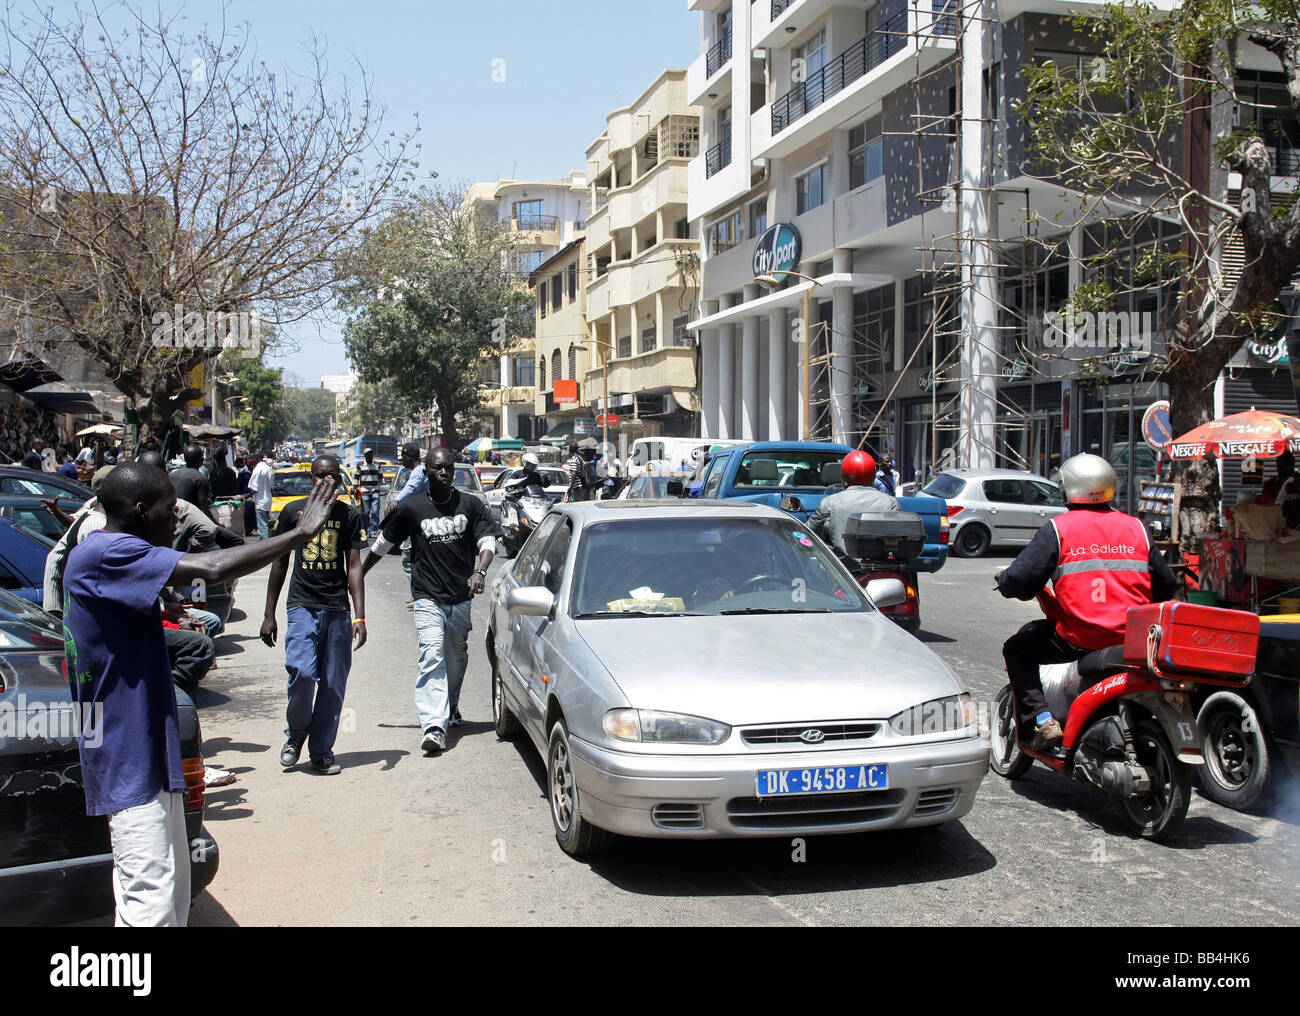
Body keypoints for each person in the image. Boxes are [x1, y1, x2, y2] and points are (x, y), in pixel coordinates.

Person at [62, 461, 335, 926]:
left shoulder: (114, 552)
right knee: (148, 903)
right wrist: (297, 535)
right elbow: (211, 567)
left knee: (171, 893)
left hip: (149, 754)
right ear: (141, 510)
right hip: (128, 760)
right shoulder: (108, 553)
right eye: (171, 511)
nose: (177, 520)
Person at [995, 453, 1179, 751]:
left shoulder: (1059, 528)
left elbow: (1021, 579)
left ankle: (1042, 721)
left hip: (1079, 639)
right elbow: (1166, 584)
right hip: (1133, 641)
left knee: (1017, 649)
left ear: (1067, 489)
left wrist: (1005, 582)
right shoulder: (1137, 527)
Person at [360, 448, 501, 754]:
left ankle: (450, 705)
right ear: (426, 472)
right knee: (432, 654)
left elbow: (487, 541)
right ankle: (434, 726)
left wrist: (480, 570)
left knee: (456, 656)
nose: (445, 473)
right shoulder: (412, 508)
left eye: (449, 468)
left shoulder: (470, 504)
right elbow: (383, 544)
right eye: (438, 468)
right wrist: (359, 573)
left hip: (460, 598)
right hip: (427, 597)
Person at [261, 455, 367, 776]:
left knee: (334, 684)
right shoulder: (293, 512)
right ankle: (296, 735)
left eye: (333, 477)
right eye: (321, 477)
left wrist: (359, 616)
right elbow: (279, 563)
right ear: (312, 479)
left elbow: (353, 566)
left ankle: (321, 750)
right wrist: (269, 614)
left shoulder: (348, 515)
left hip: (336, 609)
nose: (327, 483)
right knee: (302, 673)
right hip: (302, 605)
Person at [807, 451, 901, 556]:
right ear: (874, 476)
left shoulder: (829, 504)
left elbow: (807, 539)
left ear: (843, 479)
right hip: (881, 569)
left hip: (842, 569)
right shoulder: (891, 503)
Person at [170, 444, 213, 519]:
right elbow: (204, 506)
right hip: (189, 519)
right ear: (202, 459)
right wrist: (216, 524)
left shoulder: (172, 475)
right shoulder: (200, 478)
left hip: (172, 518)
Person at [355, 446, 383, 536]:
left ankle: (373, 531)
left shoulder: (377, 465)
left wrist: (383, 485)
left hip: (375, 490)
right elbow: (356, 477)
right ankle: (364, 530)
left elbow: (381, 477)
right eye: (368, 455)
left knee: (375, 511)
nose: (370, 456)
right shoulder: (360, 465)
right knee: (365, 512)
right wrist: (355, 488)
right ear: (365, 456)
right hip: (364, 491)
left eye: (371, 454)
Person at [248, 450, 275, 540]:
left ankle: (266, 547)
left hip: (260, 501)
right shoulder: (269, 469)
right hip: (268, 500)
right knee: (265, 524)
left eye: (254, 458)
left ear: (258, 458)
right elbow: (271, 486)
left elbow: (254, 489)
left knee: (263, 526)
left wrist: (246, 496)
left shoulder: (257, 469)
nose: (252, 460)